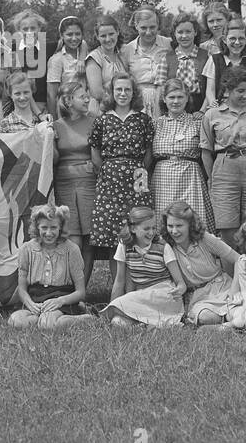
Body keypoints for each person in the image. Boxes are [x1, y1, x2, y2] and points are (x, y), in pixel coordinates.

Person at [87, 73, 155, 263]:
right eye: (119, 89)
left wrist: (139, 170)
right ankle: (118, 288)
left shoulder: (143, 120)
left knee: (138, 227)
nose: (123, 93)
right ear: (111, 92)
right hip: (110, 179)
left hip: (138, 177)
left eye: (127, 89)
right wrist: (109, 172)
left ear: (134, 93)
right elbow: (95, 152)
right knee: (113, 233)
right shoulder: (102, 120)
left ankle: (139, 282)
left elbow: (149, 153)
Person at [202, 65, 246, 240]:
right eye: (240, 91)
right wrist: (213, 178)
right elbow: (206, 151)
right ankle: (230, 268)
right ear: (228, 89)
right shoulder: (212, 114)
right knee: (227, 227)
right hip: (224, 170)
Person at [101, 205, 187, 329]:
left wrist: (179, 290)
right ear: (133, 228)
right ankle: (150, 325)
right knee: (117, 322)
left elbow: (181, 283)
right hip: (141, 296)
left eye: (153, 228)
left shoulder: (163, 247)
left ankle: (153, 322)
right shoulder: (124, 245)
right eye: (146, 228)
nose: (151, 232)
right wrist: (113, 303)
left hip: (163, 296)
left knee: (118, 308)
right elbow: (119, 281)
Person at [8, 204, 91, 330]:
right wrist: (30, 304)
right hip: (35, 298)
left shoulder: (71, 250)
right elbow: (22, 289)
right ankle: (45, 320)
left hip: (61, 298)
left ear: (61, 228)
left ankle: (83, 318)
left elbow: (81, 292)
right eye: (44, 227)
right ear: (37, 227)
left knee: (47, 324)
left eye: (53, 227)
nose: (48, 233)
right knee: (15, 321)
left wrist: (60, 301)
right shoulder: (27, 249)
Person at [51, 78, 98, 291]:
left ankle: (82, 292)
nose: (87, 98)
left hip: (89, 183)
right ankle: (67, 288)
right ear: (68, 101)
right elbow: (52, 159)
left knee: (88, 238)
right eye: (82, 96)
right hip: (65, 184)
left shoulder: (95, 121)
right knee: (72, 239)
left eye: (87, 94)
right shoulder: (55, 126)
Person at [163, 201, 239, 327]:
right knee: (206, 317)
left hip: (221, 287)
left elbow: (239, 259)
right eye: (170, 226)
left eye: (179, 225)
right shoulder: (167, 245)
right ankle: (233, 323)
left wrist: (235, 290)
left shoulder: (204, 238)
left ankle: (231, 323)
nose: (174, 231)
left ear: (190, 225)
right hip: (196, 297)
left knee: (237, 309)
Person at [151, 78, 211, 230]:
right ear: (164, 99)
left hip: (190, 177)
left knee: (191, 222)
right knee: (164, 222)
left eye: (180, 97)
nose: (175, 101)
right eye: (171, 97)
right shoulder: (156, 124)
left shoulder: (197, 122)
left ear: (187, 99)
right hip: (163, 178)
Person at [120, 5, 171, 114]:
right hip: (138, 102)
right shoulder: (127, 50)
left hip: (165, 101)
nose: (148, 32)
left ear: (158, 25)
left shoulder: (168, 44)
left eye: (152, 27)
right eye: (143, 28)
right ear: (136, 26)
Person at [203, 19, 246, 104]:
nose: (237, 42)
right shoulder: (214, 60)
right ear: (224, 40)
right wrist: (213, 106)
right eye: (232, 38)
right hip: (222, 110)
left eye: (241, 38)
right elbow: (210, 90)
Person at [161, 13, 209, 113]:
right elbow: (161, 89)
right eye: (180, 32)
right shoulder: (167, 58)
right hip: (174, 107)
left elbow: (210, 88)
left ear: (195, 32)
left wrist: (202, 111)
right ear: (174, 33)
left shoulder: (206, 56)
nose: (184, 36)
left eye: (188, 31)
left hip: (200, 108)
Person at [46, 15, 89, 116]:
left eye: (77, 34)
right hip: (66, 112)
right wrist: (55, 121)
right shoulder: (57, 59)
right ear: (62, 35)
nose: (74, 38)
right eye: (69, 34)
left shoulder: (87, 55)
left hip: (86, 110)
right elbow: (51, 95)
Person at [84, 15, 124, 115]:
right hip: (100, 110)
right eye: (103, 36)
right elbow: (97, 92)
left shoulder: (121, 55)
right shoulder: (94, 57)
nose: (108, 39)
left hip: (120, 108)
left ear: (117, 32)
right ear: (97, 37)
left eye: (111, 34)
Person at [10, 8, 50, 107]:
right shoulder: (11, 50)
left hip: (43, 105)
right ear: (19, 30)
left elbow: (80, 43)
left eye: (33, 28)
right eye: (25, 29)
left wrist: (82, 56)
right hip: (19, 104)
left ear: (39, 28)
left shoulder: (50, 48)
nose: (29, 32)